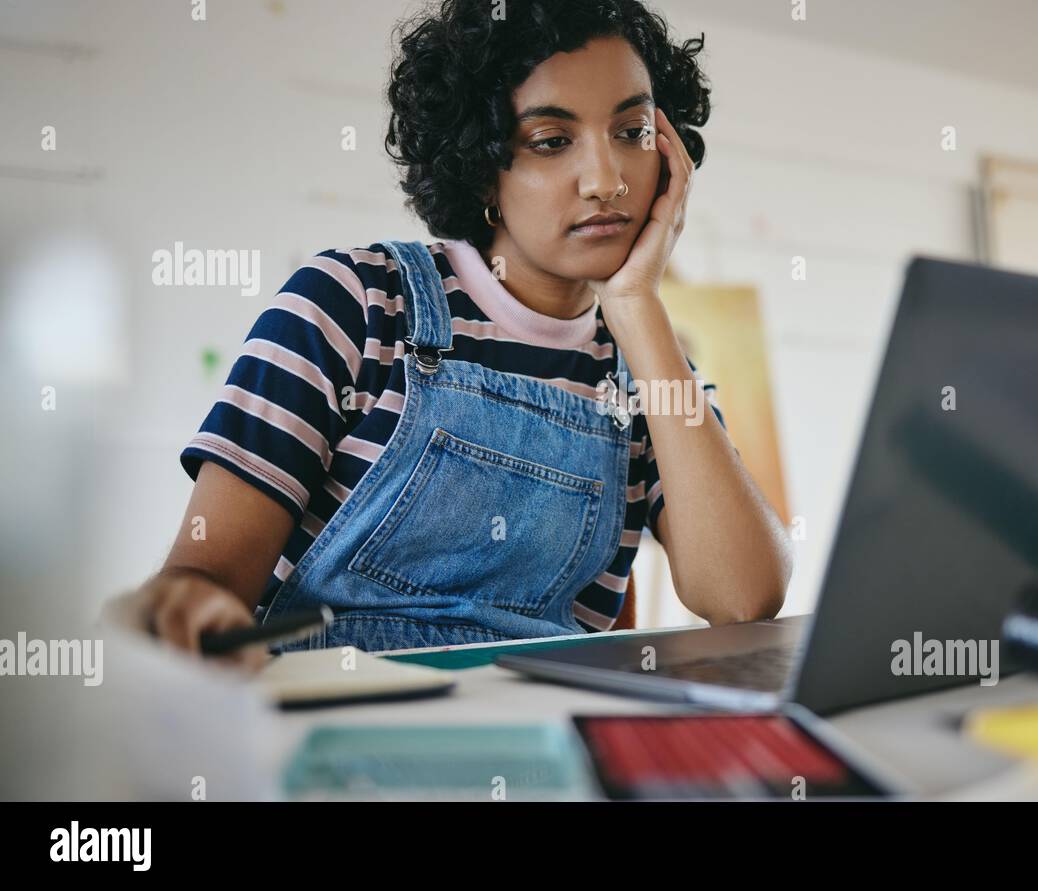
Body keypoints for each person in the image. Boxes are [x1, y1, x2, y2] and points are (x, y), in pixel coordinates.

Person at [118, 0, 792, 667]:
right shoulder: (353, 302)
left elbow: (743, 597)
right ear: (482, 164)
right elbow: (204, 580)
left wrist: (641, 306)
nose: (607, 181)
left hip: (542, 751)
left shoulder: (650, 372)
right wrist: (184, 605)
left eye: (633, 131)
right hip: (329, 743)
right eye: (552, 141)